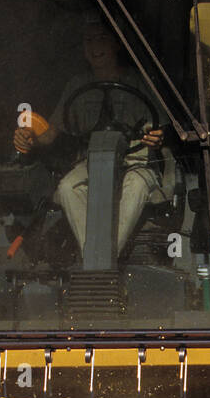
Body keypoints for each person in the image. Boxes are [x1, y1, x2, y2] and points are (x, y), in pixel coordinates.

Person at [13, 18, 166, 259]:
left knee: (135, 187)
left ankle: (98, 260)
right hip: (91, 163)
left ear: (116, 44)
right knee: (66, 188)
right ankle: (98, 260)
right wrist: (29, 135)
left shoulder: (139, 81)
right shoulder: (77, 84)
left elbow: (161, 128)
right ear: (83, 49)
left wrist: (156, 137)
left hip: (135, 162)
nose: (96, 46)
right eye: (89, 40)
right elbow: (50, 133)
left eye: (102, 38)